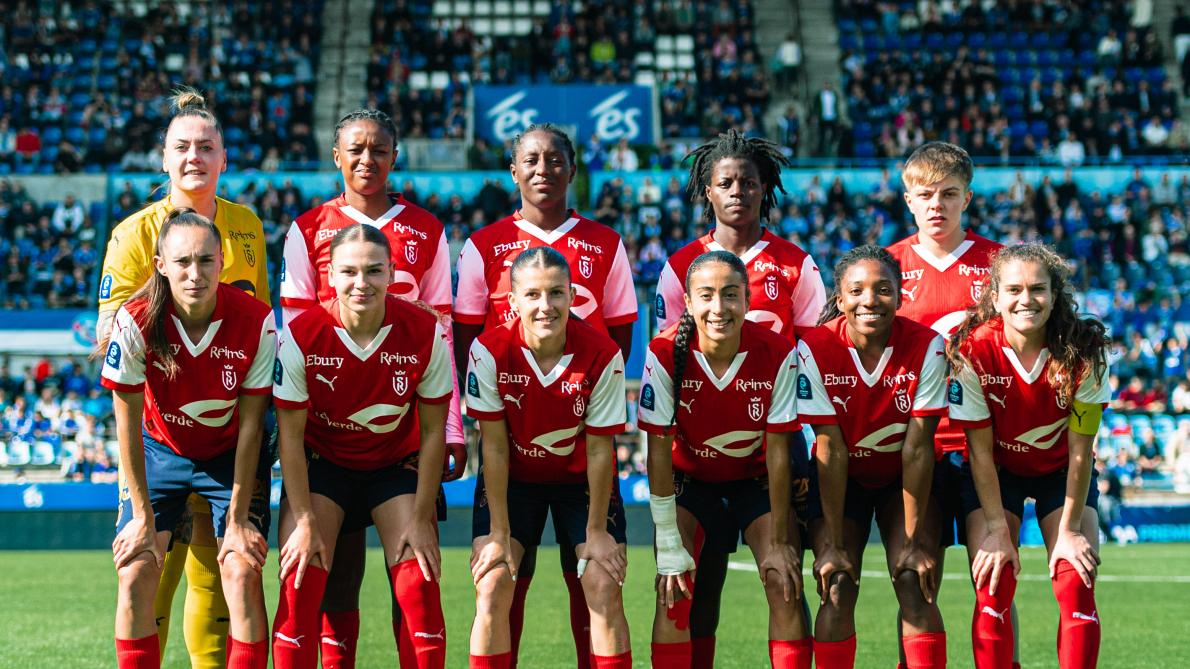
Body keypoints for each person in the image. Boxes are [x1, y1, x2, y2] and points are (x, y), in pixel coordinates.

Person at [279, 108, 466, 666]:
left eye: (379, 148)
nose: (367, 159)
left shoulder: (426, 230)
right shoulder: (306, 229)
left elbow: (443, 330)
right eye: (354, 149)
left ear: (395, 155)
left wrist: (453, 428)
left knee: (417, 577)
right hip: (323, 438)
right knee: (313, 578)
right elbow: (295, 334)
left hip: (398, 443)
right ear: (336, 156)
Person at [97, 87, 271, 668]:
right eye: (182, 147)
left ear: (224, 157)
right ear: (163, 159)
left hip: (226, 429)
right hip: (161, 430)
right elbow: (111, 338)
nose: (194, 156)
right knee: (152, 565)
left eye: (206, 146)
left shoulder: (246, 225)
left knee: (217, 571)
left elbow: (254, 326)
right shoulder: (133, 234)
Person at [453, 123, 637, 668]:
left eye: (555, 159)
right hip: (510, 439)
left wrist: (573, 384)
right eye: (530, 160)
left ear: (573, 169)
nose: (542, 169)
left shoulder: (605, 244)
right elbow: (469, 338)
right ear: (512, 170)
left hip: (582, 450)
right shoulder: (482, 246)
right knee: (498, 578)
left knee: (597, 583)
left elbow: (617, 338)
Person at [655, 129, 825, 667]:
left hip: (769, 452)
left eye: (748, 182)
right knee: (690, 595)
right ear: (707, 189)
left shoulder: (797, 264)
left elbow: (814, 356)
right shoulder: (678, 264)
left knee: (786, 577)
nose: (737, 191)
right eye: (725, 182)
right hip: (693, 460)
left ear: (764, 187)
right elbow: (666, 351)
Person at [638, 250, 810, 668]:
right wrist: (666, 538)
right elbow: (658, 452)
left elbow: (777, 448)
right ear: (689, 302)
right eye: (707, 295)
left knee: (782, 581)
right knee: (673, 591)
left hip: (754, 483)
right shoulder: (662, 353)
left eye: (731, 294)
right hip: (690, 484)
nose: (719, 308)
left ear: (748, 301)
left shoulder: (777, 350)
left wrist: (783, 541)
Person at [465, 247, 631, 668]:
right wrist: (499, 532)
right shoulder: (488, 350)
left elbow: (599, 449)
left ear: (572, 296)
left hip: (581, 484)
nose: (545, 306)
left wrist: (596, 531)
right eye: (533, 295)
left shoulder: (602, 352)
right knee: (492, 583)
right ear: (513, 300)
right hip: (514, 481)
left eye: (556, 293)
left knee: (603, 582)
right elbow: (495, 446)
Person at [949, 243, 1111, 669]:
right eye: (1014, 290)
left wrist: (1071, 531)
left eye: (1038, 289)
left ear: (1055, 296)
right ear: (996, 296)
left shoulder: (1085, 351)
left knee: (1076, 581)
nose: (1026, 300)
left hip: (1061, 472)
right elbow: (979, 454)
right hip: (996, 473)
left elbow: (1082, 453)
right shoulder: (973, 351)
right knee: (994, 581)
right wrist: (999, 533)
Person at [798, 246, 949, 668]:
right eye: (857, 290)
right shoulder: (815, 346)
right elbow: (829, 448)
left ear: (901, 297)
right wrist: (832, 543)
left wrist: (916, 541)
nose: (870, 300)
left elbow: (918, 448)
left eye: (884, 289)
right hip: (840, 480)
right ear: (841, 298)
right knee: (837, 582)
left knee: (912, 578)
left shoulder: (928, 346)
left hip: (906, 478)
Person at [885, 140, 1004, 669]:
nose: (937, 205)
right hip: (917, 450)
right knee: (913, 576)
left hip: (984, 448)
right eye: (926, 194)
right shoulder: (885, 268)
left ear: (967, 198)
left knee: (995, 580)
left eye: (949, 194)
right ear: (908, 199)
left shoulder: (1000, 264)